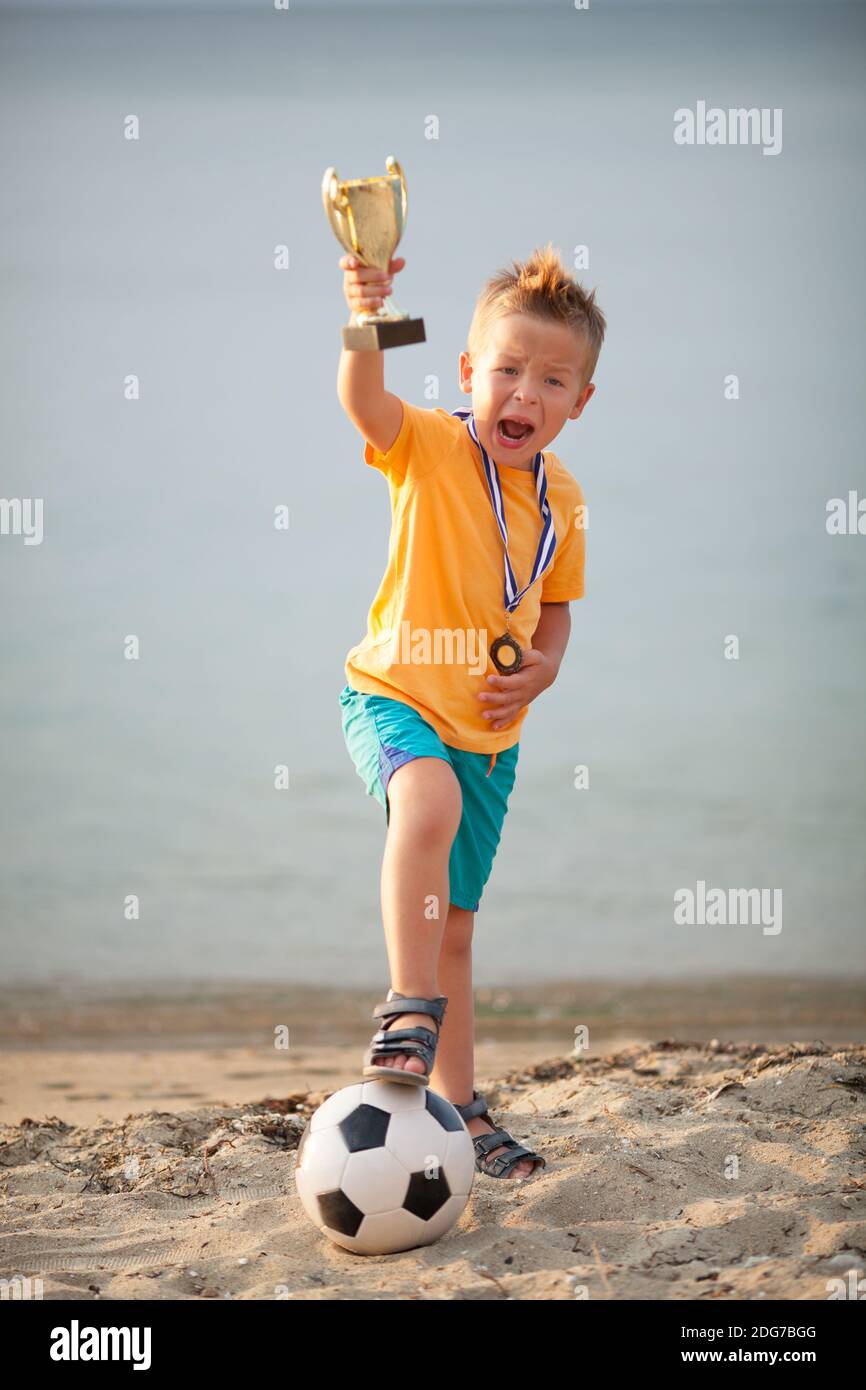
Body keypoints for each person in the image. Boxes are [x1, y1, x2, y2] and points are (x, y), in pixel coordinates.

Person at [336, 243, 606, 1180]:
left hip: (491, 734)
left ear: (581, 402)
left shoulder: (564, 498)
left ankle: (460, 1106)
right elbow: (362, 405)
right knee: (425, 806)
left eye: (551, 379)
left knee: (457, 922)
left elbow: (557, 610)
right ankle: (407, 1006)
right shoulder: (432, 447)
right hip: (394, 693)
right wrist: (368, 314)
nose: (522, 395)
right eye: (505, 370)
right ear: (466, 374)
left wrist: (545, 671)